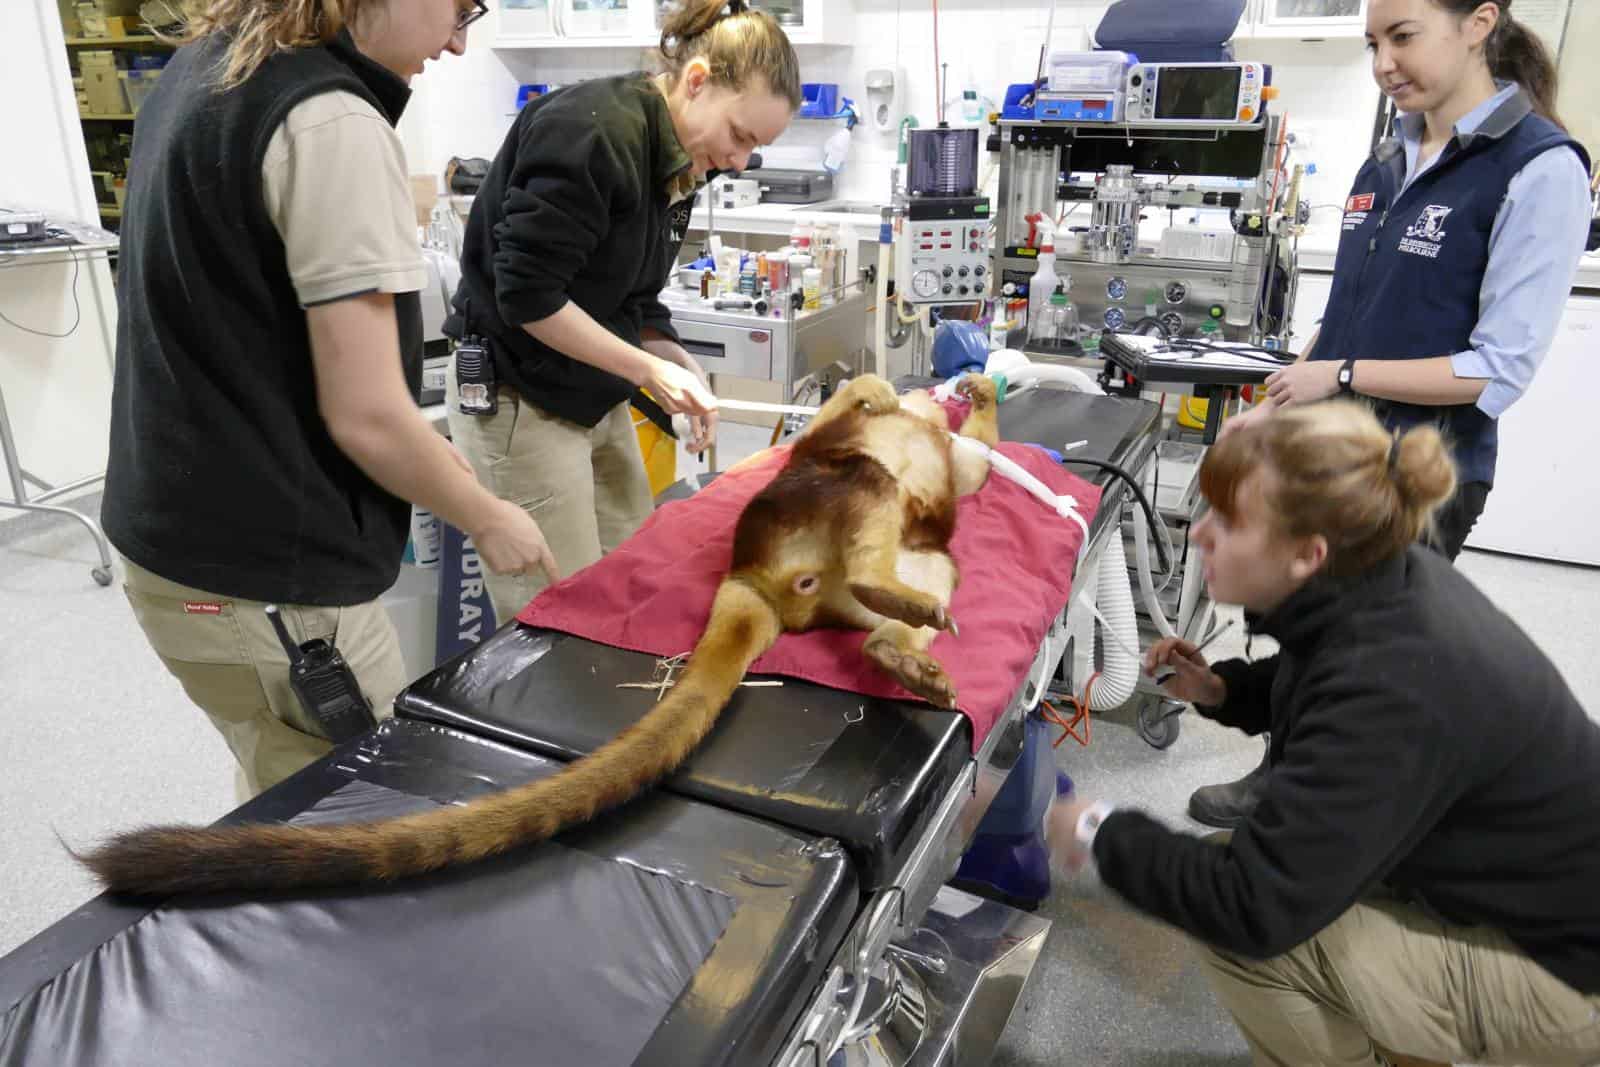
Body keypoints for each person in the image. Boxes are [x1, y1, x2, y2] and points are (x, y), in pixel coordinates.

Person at [1048, 401, 1600, 1067]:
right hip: (1523, 886)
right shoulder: (1383, 576)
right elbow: (1316, 668)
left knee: (1247, 932)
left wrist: (1094, 830)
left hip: (1568, 970)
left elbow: (1252, 906)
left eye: (1230, 519)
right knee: (1272, 871)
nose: (1200, 533)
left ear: (1308, 554)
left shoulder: (1392, 683)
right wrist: (1222, 690)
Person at [103, 0, 558, 798]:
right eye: (460, 9)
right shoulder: (331, 123)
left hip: (173, 545)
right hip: (272, 587)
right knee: (368, 811)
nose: (458, 42)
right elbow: (370, 414)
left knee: (277, 777)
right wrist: (488, 515)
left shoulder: (208, 63)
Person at [1191, 0, 1592, 828]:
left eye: (1403, 36)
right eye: (1374, 42)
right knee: (1312, 628)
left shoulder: (1538, 167)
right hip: (1335, 455)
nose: (1383, 62)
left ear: (1479, 23)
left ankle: (1340, 820)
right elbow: (1347, 315)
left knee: (1365, 658)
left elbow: (1497, 369)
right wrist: (1275, 403)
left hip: (1422, 471)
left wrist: (1337, 373)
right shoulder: (1387, 158)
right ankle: (1290, 779)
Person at [444, 0, 800, 628]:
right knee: (559, 613)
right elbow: (526, 296)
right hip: (518, 394)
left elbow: (634, 297)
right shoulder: (591, 133)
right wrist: (645, 369)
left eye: (755, 147)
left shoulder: (683, 161)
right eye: (740, 136)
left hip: (590, 389)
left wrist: (678, 365)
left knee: (633, 573)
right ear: (696, 82)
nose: (740, 160)